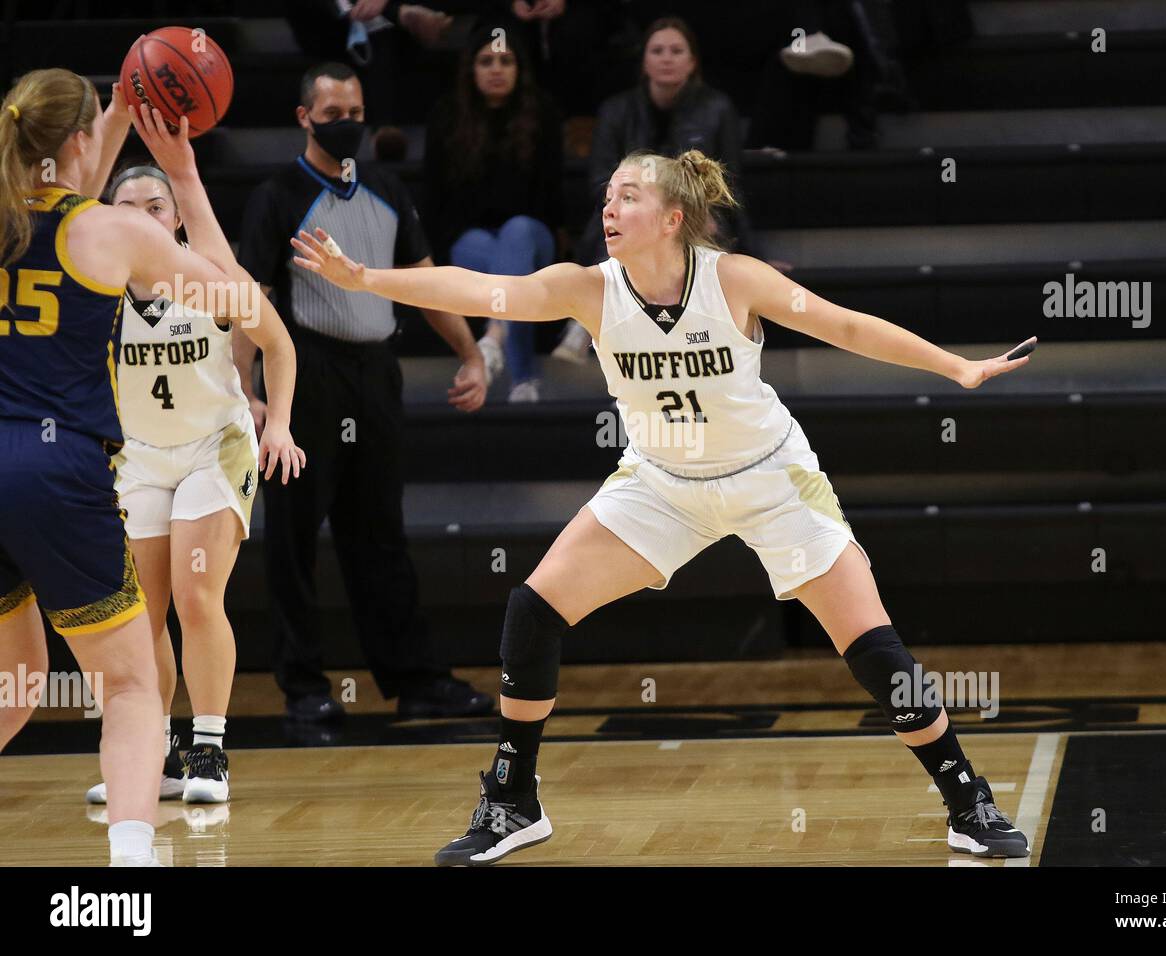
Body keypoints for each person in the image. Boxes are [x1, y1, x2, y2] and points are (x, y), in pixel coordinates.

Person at [290, 147, 1038, 866]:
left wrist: (955, 367)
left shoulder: (733, 278)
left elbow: (842, 325)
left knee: (875, 649)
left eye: (628, 195)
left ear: (674, 216)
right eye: (606, 197)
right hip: (661, 482)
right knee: (533, 610)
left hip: (770, 477)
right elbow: (480, 287)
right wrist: (364, 279)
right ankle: (513, 800)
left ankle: (966, 797)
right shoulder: (589, 287)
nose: (608, 207)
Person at [0, 70, 265, 865]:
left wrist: (110, 116)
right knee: (127, 684)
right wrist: (182, 175)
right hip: (55, 466)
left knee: (16, 673)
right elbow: (234, 304)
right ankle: (132, 869)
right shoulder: (115, 234)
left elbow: (55, 178)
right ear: (83, 144)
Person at [236, 62, 493, 722]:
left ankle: (414, 679)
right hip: (307, 375)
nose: (347, 123)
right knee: (293, 538)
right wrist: (248, 391)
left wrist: (471, 354)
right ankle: (305, 690)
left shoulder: (385, 186)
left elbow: (426, 283)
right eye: (332, 114)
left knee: (381, 533)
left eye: (355, 111)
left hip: (377, 375)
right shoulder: (277, 196)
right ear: (303, 118)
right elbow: (251, 301)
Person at [84, 104, 306, 807]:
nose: (144, 217)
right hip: (140, 459)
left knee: (195, 593)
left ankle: (209, 750)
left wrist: (281, 424)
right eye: (128, 207)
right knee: (141, 615)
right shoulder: (96, 292)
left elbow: (278, 343)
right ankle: (153, 751)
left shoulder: (206, 279)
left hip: (216, 447)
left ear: (176, 219)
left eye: (158, 206)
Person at [553, 16, 784, 364]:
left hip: (697, 218)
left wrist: (757, 257)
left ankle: (686, 342)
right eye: (657, 50)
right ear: (644, 61)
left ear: (692, 62)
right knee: (630, 225)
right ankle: (590, 324)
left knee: (683, 230)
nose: (667, 58)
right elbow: (599, 180)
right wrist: (638, 205)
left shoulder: (717, 107)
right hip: (630, 215)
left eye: (677, 50)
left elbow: (729, 184)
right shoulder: (616, 110)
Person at [424, 25, 564, 402]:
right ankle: (523, 381)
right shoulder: (448, 118)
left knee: (516, 232)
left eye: (506, 60)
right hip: (472, 247)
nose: (496, 69)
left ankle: (495, 336)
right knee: (486, 247)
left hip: (534, 242)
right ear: (471, 69)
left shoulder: (542, 115)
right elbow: (437, 202)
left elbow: (551, 200)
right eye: (486, 61)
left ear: (520, 69)